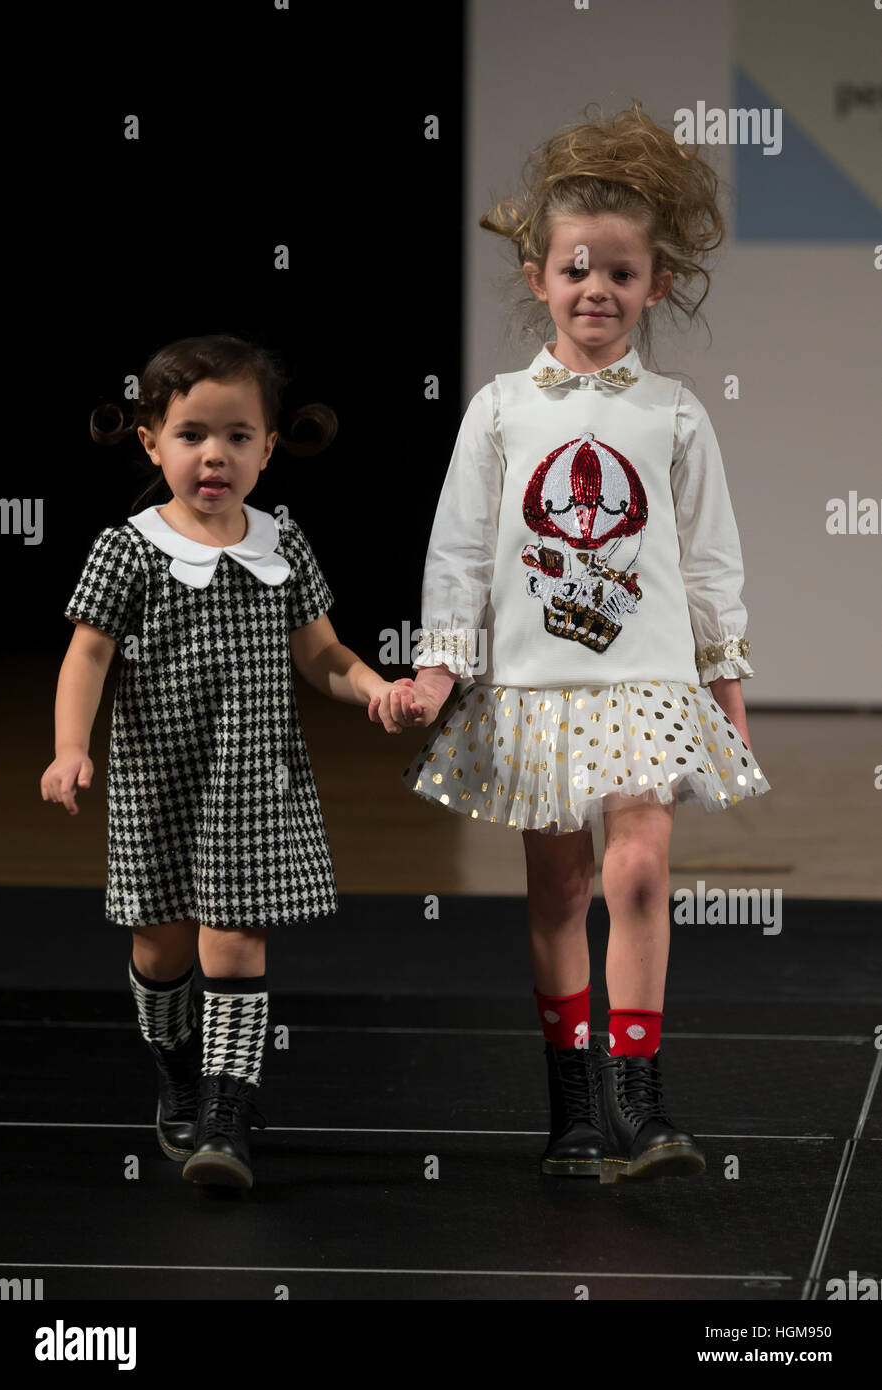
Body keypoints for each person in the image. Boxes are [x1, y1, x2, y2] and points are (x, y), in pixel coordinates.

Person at [373, 102, 771, 1185]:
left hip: (643, 680)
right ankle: (572, 1109)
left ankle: (642, 1103)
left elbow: (707, 559)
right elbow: (459, 548)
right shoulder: (501, 409)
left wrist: (725, 682)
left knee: (640, 873)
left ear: (654, 284)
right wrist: (442, 663)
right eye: (575, 268)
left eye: (622, 273)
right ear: (542, 278)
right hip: (537, 689)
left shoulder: (677, 414)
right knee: (559, 891)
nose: (597, 288)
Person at [40, 334, 416, 1191]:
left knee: (235, 941)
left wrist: (373, 688)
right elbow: (86, 656)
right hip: (156, 782)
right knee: (163, 945)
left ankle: (226, 1111)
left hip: (250, 780)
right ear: (151, 441)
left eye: (239, 436)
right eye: (192, 435)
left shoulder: (281, 543)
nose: (215, 455)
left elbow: (321, 654)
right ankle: (176, 1067)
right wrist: (71, 748)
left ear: (269, 448)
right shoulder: (128, 548)